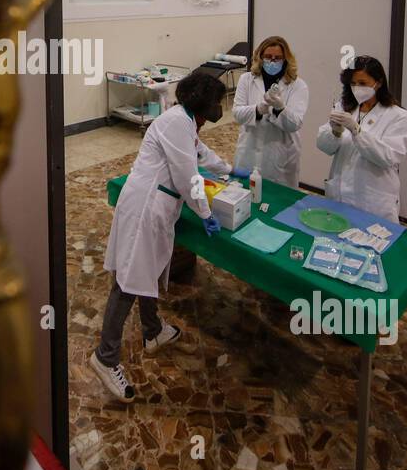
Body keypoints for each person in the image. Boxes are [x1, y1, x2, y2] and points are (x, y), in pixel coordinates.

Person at [91, 71, 249, 402]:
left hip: (156, 205)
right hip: (146, 205)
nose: (221, 107)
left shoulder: (186, 121)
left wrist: (229, 169)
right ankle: (105, 358)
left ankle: (152, 331)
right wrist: (206, 214)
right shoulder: (178, 121)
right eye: (218, 101)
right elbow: (186, 175)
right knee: (128, 280)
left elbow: (200, 152)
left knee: (144, 270)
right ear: (204, 103)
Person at [316, 54, 407, 221]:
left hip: (373, 200)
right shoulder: (345, 107)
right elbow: (324, 146)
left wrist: (356, 130)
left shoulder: (398, 116)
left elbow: (388, 157)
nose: (357, 88)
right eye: (353, 83)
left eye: (362, 83)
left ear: (379, 83)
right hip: (340, 194)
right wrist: (335, 132)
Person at [231, 35, 309, 189]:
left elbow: (295, 124)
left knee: (278, 203)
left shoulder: (298, 85)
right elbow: (237, 114)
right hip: (249, 150)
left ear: (286, 59)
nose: (272, 61)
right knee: (245, 196)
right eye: (268, 57)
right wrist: (258, 110)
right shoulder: (247, 79)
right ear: (260, 57)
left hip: (280, 155)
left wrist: (280, 108)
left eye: (278, 58)